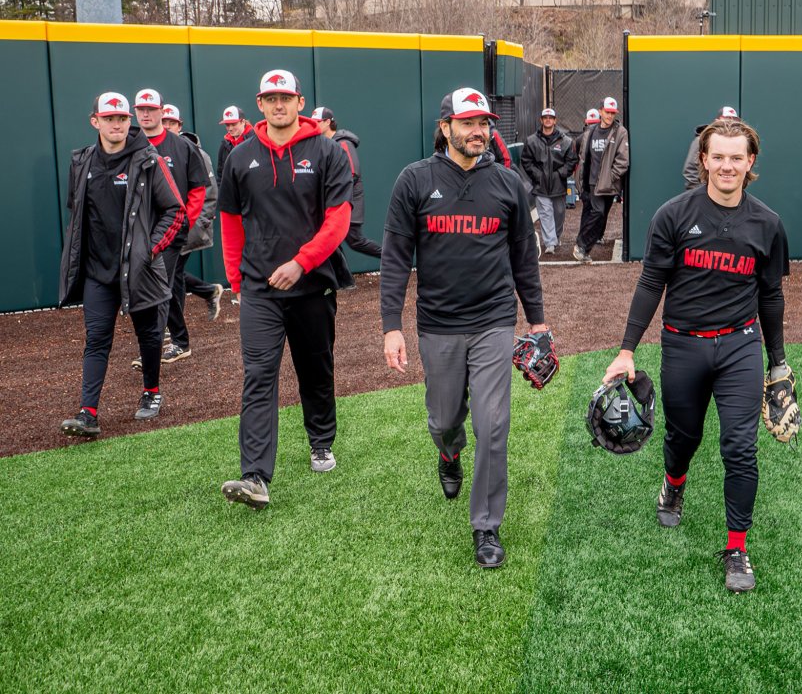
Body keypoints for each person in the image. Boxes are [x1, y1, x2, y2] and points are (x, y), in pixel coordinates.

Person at [602, 117, 788, 593]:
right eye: (718, 157)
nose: (727, 166)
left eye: (736, 157)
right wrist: (627, 350)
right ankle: (674, 483)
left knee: (741, 449)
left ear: (751, 163)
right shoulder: (672, 215)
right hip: (684, 344)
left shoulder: (767, 223)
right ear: (704, 160)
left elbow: (770, 297)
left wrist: (778, 360)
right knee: (684, 436)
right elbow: (651, 284)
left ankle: (737, 547)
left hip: (740, 345)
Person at [380, 87, 547, 568]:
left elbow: (524, 261)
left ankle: (487, 527)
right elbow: (394, 260)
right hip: (438, 325)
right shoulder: (414, 181)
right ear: (445, 127)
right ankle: (449, 454)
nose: (479, 131)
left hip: (494, 321)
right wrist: (392, 326)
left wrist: (536, 321)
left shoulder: (508, 184)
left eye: (485, 123)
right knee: (444, 419)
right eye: (469, 122)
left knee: (493, 426)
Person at [217, 70, 354, 510]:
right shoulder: (240, 157)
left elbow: (339, 220)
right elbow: (231, 222)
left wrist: (302, 263)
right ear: (260, 104)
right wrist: (237, 281)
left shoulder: (328, 151)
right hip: (259, 289)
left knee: (316, 371)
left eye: (286, 98)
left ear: (299, 102)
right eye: (270, 98)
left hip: (312, 285)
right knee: (258, 376)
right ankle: (255, 475)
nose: (279, 105)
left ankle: (320, 441)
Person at [58, 92, 185, 438]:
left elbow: (175, 210)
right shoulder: (82, 162)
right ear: (95, 121)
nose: (117, 124)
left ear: (129, 121)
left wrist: (149, 251)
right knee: (97, 338)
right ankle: (88, 413)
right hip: (99, 273)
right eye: (109, 118)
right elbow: (77, 212)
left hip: (139, 271)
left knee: (148, 336)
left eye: (123, 118)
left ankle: (152, 391)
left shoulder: (147, 159)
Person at [133, 88, 209, 366]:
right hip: (139, 231)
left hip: (172, 230)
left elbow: (199, 189)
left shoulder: (181, 146)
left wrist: (184, 222)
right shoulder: (130, 144)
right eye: (141, 108)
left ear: (161, 111)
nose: (145, 113)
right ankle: (180, 340)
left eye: (151, 109)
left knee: (159, 284)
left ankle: (153, 348)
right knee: (165, 286)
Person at [161, 104, 224, 320]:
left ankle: (175, 325)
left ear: (179, 125)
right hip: (163, 226)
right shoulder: (154, 151)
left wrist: (200, 221)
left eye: (171, 123)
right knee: (171, 273)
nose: (167, 126)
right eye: (164, 122)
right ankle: (208, 292)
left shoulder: (194, 152)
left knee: (170, 272)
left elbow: (209, 191)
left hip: (186, 224)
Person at [312, 107, 383, 258]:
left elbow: (353, 172)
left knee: (355, 240)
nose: (314, 125)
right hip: (336, 200)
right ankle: (342, 279)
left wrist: (335, 192)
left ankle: (393, 258)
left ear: (328, 122)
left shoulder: (343, 143)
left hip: (349, 199)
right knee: (328, 240)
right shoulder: (325, 144)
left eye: (317, 122)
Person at [574, 97, 628, 262]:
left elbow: (623, 161)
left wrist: (610, 178)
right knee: (596, 213)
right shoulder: (590, 132)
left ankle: (583, 249)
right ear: (600, 111)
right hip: (592, 182)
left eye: (612, 113)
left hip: (609, 184)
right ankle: (581, 245)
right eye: (607, 112)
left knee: (601, 216)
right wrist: (580, 179)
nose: (610, 116)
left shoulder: (620, 132)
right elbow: (583, 156)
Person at [521, 107, 578, 254]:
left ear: (555, 120)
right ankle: (550, 243)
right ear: (541, 120)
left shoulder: (565, 141)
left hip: (558, 185)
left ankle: (556, 235)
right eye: (545, 117)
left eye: (550, 117)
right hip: (541, 186)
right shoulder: (532, 140)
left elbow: (572, 160)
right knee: (545, 214)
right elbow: (526, 161)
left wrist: (561, 174)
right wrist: (537, 175)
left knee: (559, 213)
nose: (548, 120)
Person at [682, 106, 739, 190]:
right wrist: (699, 195)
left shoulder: (736, 142)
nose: (730, 123)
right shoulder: (701, 140)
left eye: (734, 120)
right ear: (717, 121)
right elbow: (690, 171)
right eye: (727, 119)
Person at [217, 105, 253, 174]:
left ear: (243, 122)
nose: (230, 128)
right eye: (227, 125)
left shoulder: (255, 140)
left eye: (233, 124)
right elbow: (220, 174)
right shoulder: (224, 144)